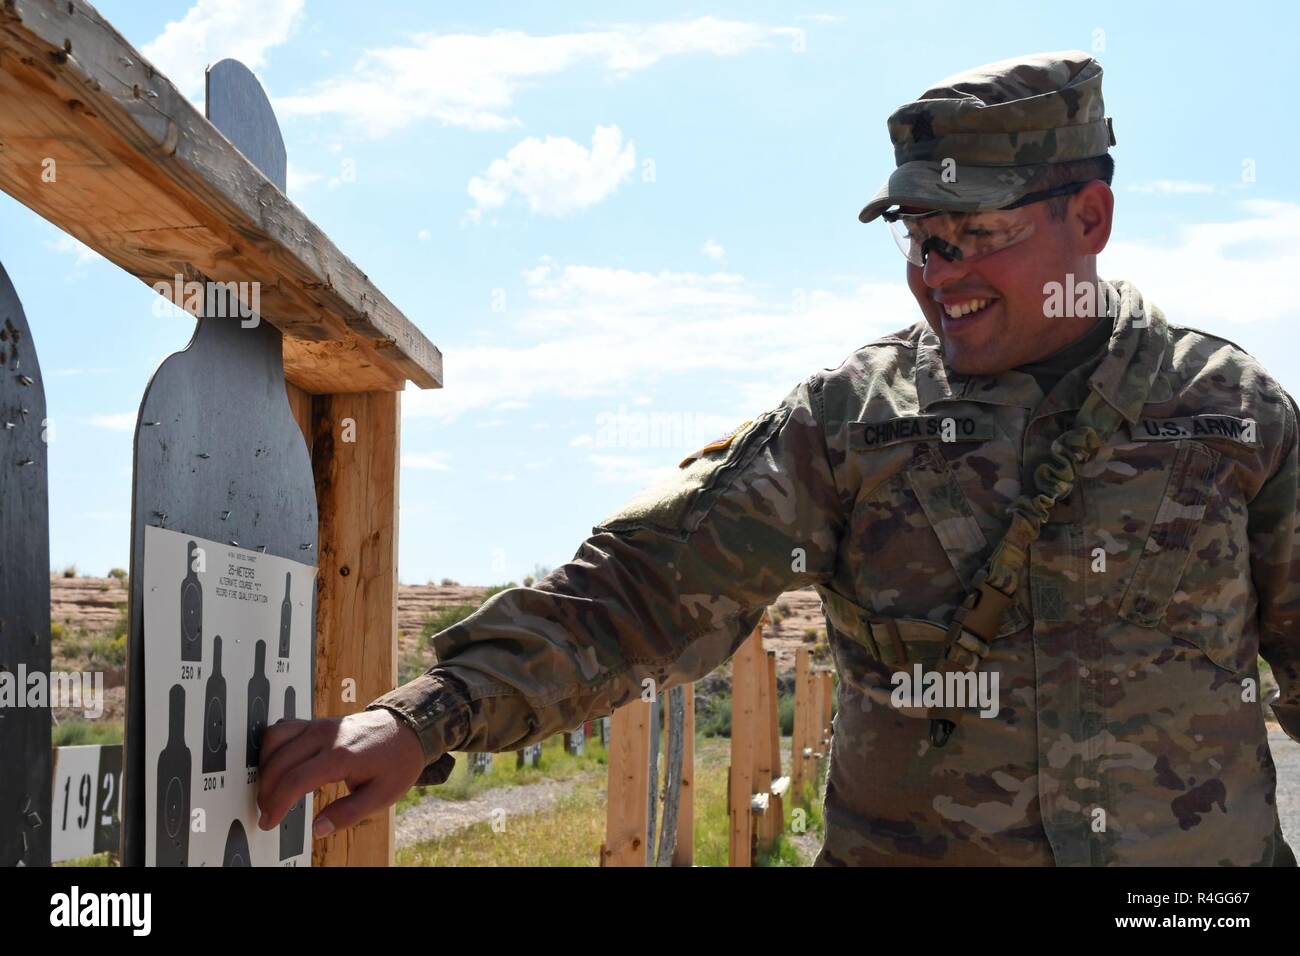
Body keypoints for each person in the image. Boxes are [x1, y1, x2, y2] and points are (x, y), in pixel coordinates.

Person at [256, 50, 1300, 865]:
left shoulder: (1233, 413)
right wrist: (425, 717)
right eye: (920, 238)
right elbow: (643, 591)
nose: (939, 274)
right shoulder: (850, 421)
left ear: (1091, 217)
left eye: (976, 233)